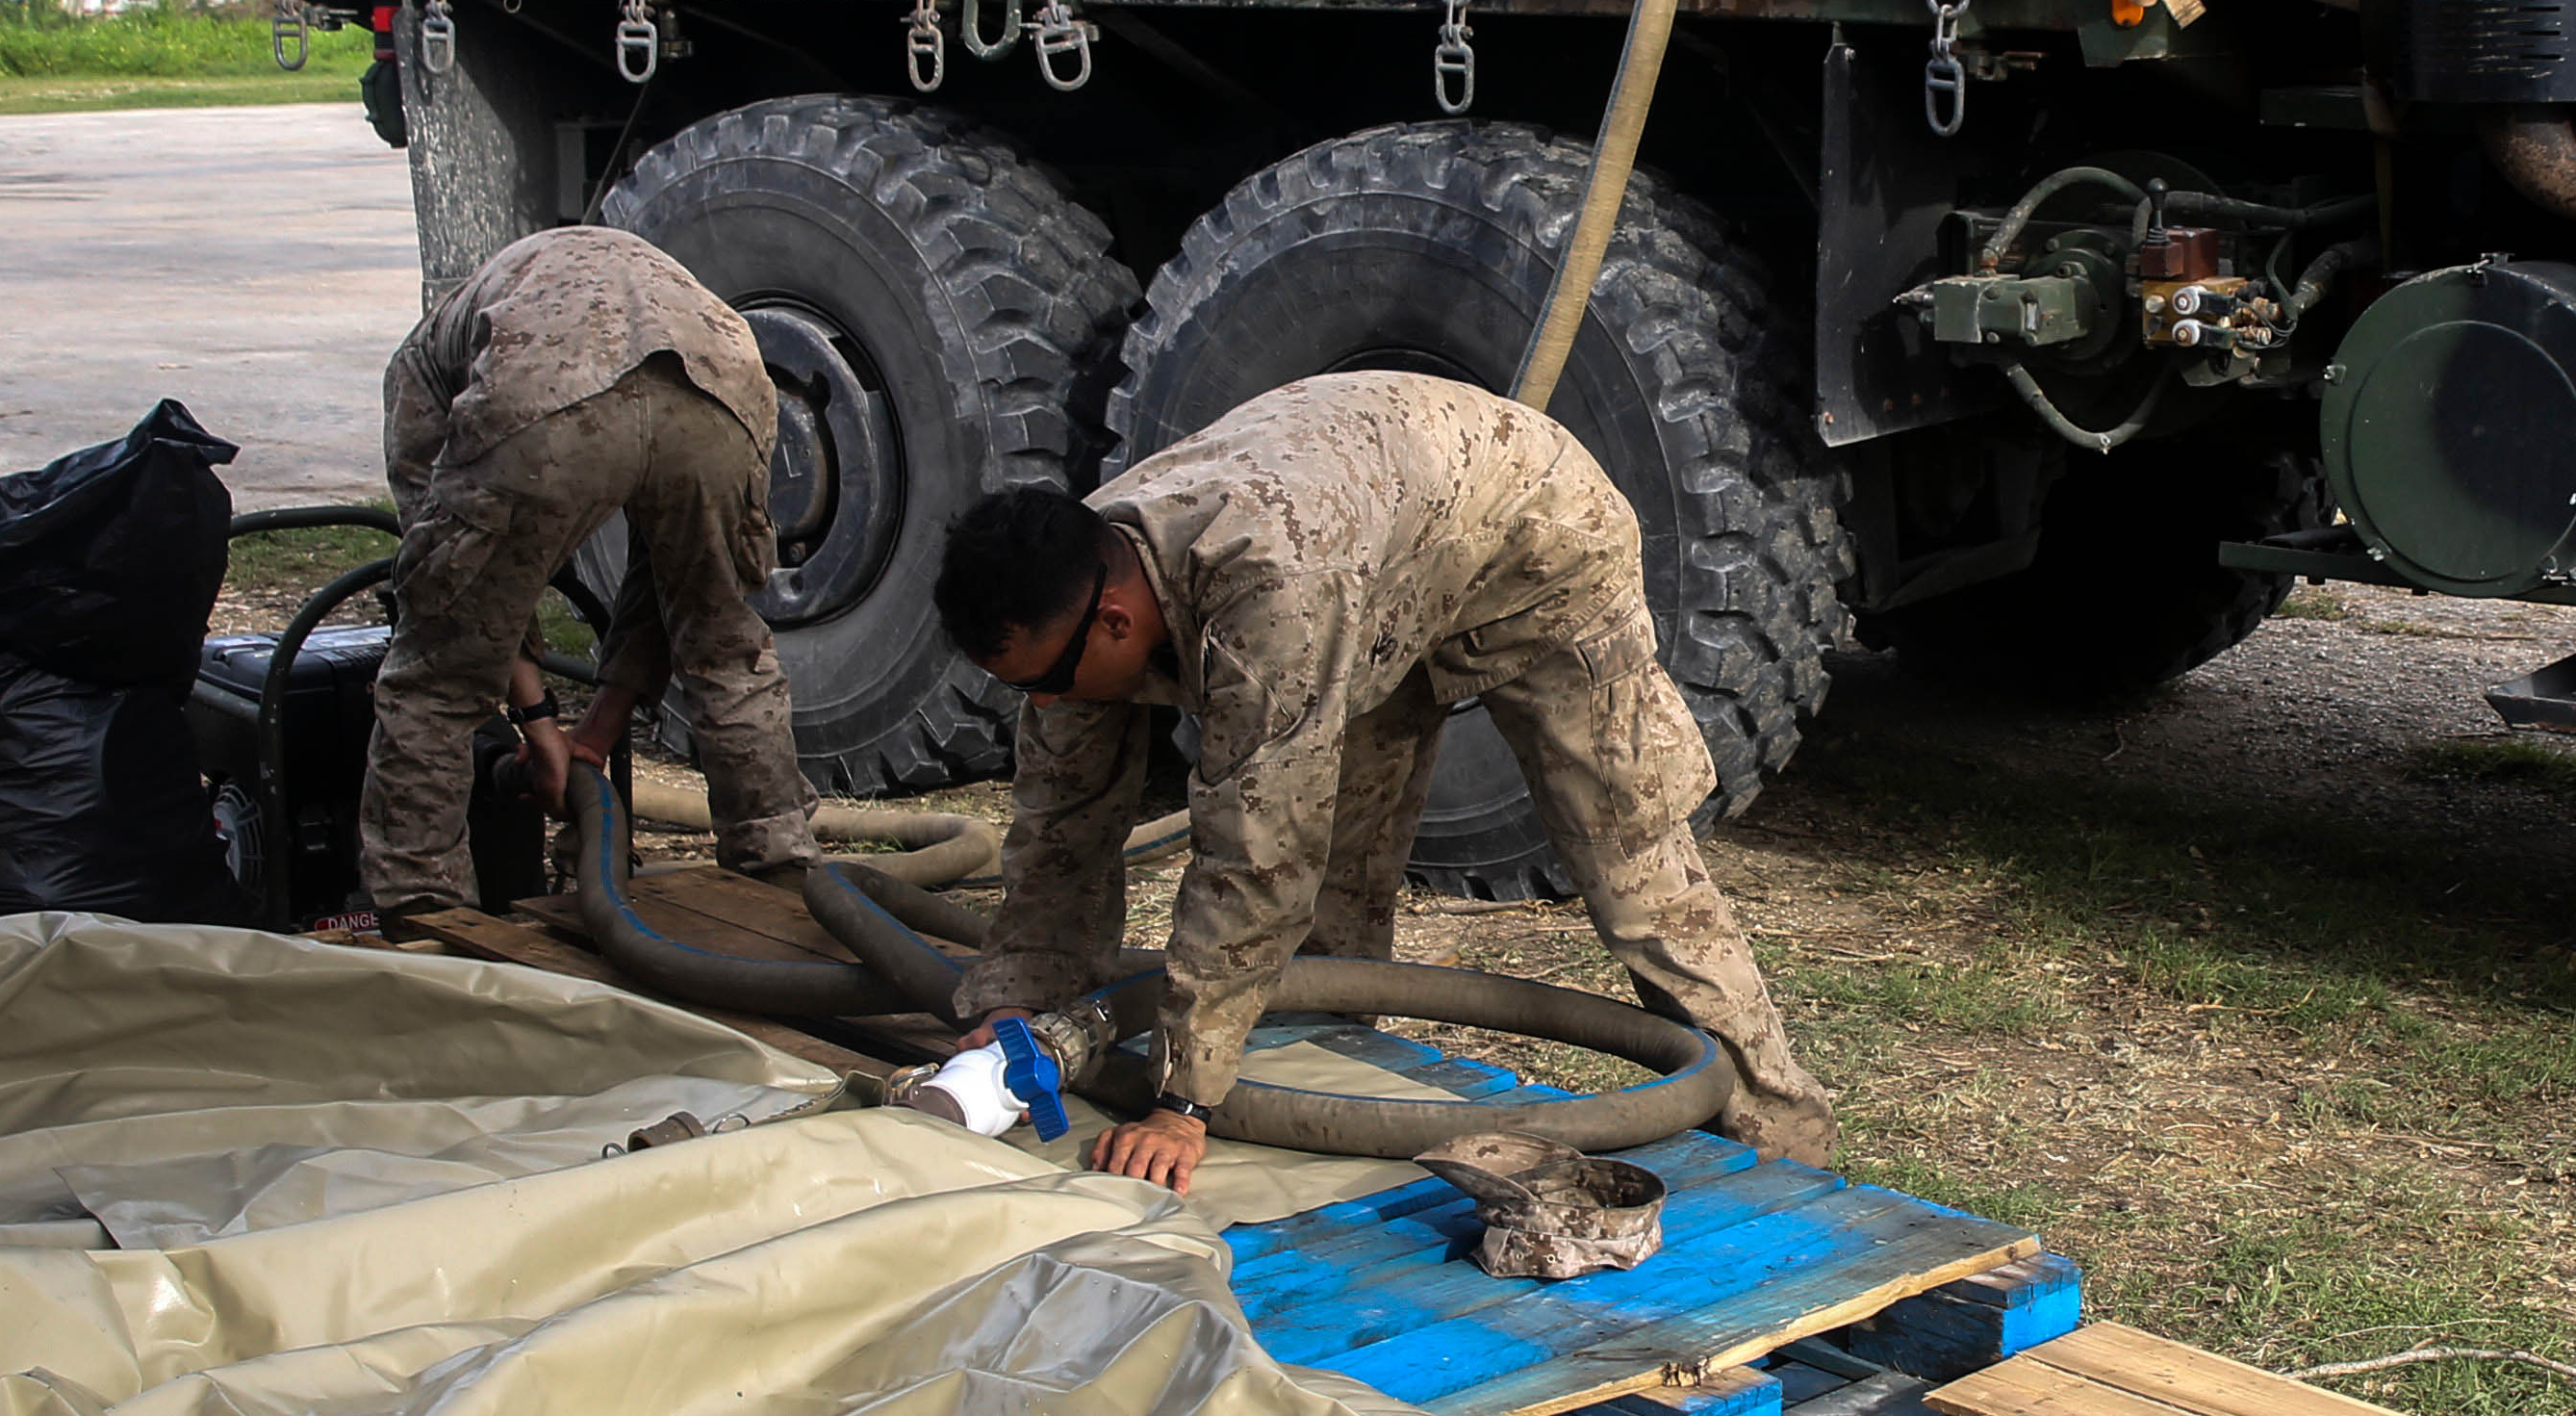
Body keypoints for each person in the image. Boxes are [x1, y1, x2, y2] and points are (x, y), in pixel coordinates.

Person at [928, 370, 1834, 1186]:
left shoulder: (1268, 591)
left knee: (1633, 870)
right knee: (1338, 872)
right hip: (1382, 552)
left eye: (1050, 681)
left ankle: (1783, 1149)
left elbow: (1255, 857)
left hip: (1536, 536)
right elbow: (1062, 818)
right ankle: (1318, 1078)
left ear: (1118, 622)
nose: (1045, 705)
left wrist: (1182, 1101)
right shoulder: (1070, 587)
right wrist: (1022, 995)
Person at [358, 224, 814, 930]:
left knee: (435, 679)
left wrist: (537, 723)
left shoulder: (421, 360)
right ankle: (780, 873)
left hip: (550, 384)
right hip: (722, 379)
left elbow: (458, 597)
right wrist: (586, 736)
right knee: (724, 648)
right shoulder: (579, 270)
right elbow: (665, 585)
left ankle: (424, 914)